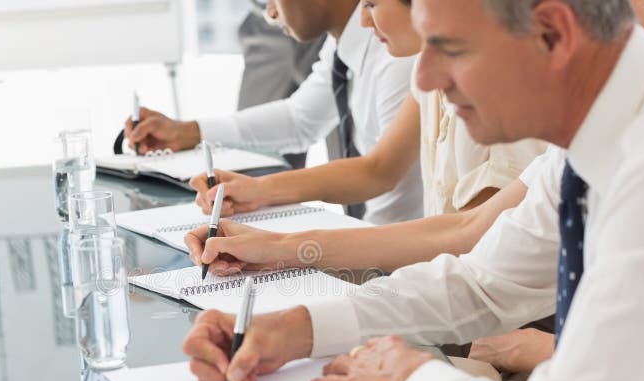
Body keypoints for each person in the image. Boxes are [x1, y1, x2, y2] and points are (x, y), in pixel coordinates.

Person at [182, 1, 644, 381]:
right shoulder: (586, 142)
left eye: (448, 47)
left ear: (552, 32)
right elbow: (479, 282)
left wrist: (409, 379)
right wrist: (295, 327)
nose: (423, 77)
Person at [185, 0, 551, 375]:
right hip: (458, 300)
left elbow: (472, 248)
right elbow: (464, 237)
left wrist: (284, 253)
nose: (420, 77)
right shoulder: (553, 164)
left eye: (373, 2)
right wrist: (277, 250)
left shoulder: (504, 100)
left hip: (500, 333)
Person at [125, 0, 424, 226]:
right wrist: (187, 132)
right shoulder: (348, 43)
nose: (268, 13)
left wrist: (261, 192)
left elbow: (382, 177)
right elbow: (300, 120)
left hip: (404, 259)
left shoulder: (398, 55)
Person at [236, 5, 327, 169]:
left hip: (329, 22)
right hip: (267, 24)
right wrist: (194, 131)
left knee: (352, 157)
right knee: (255, 160)